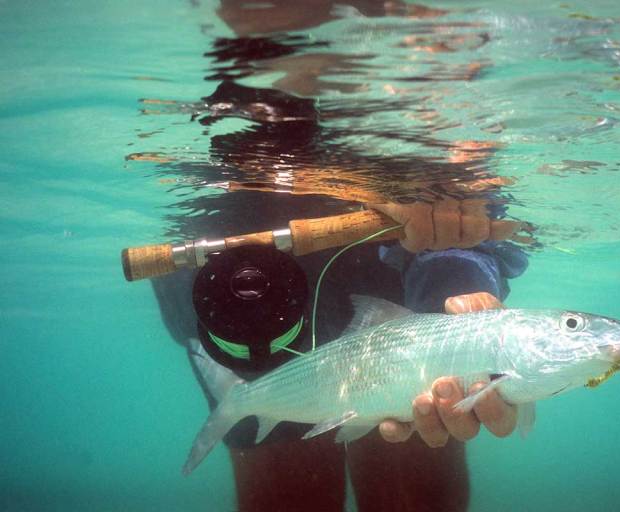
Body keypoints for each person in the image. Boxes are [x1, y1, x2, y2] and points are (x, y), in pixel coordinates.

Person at [147, 2, 530, 510]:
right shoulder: (238, 74)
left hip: (380, 252)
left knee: (414, 448)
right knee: (288, 477)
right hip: (240, 272)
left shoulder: (437, 67)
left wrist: (452, 298)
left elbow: (467, 206)